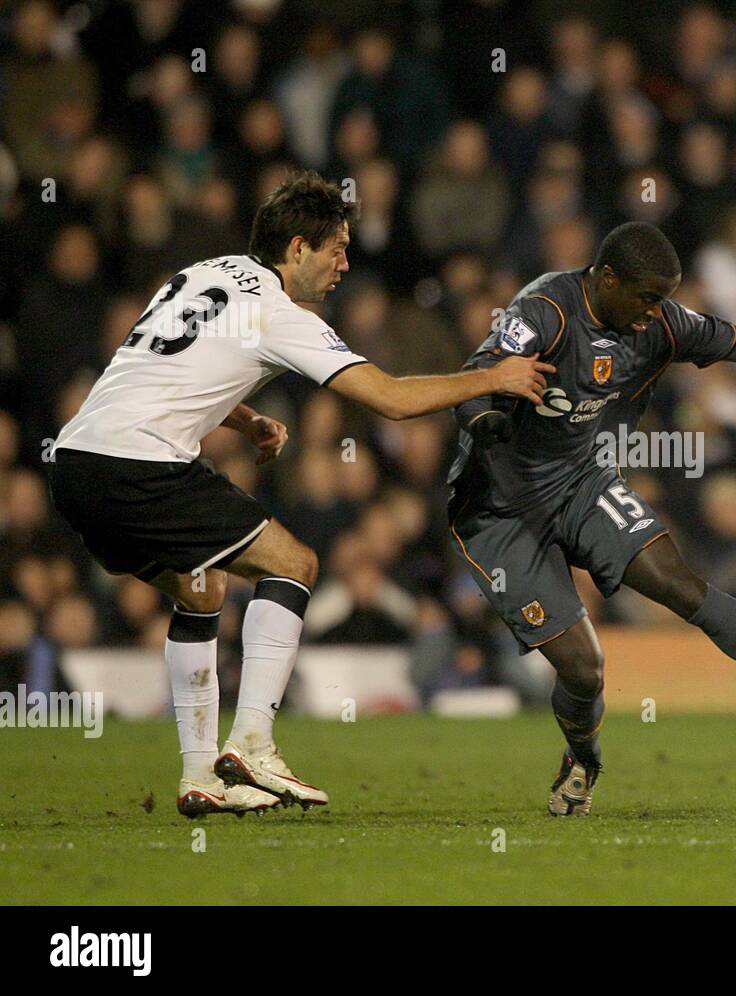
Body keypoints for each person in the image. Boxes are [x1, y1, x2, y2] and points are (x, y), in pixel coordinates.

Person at [48, 171, 552, 817]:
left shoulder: (202, 273)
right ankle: (253, 741)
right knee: (295, 564)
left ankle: (201, 775)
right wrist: (492, 377)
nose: (345, 263)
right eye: (336, 249)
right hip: (139, 463)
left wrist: (245, 419)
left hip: (76, 463)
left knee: (201, 589)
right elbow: (392, 399)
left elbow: (157, 364)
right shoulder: (281, 313)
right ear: (295, 249)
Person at [448, 221, 736, 815]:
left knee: (678, 583)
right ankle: (584, 757)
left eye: (663, 298)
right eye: (645, 297)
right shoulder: (544, 311)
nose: (654, 312)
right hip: (500, 509)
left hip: (583, 482)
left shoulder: (661, 323)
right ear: (606, 278)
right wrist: (486, 420)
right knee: (585, 670)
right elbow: (471, 384)